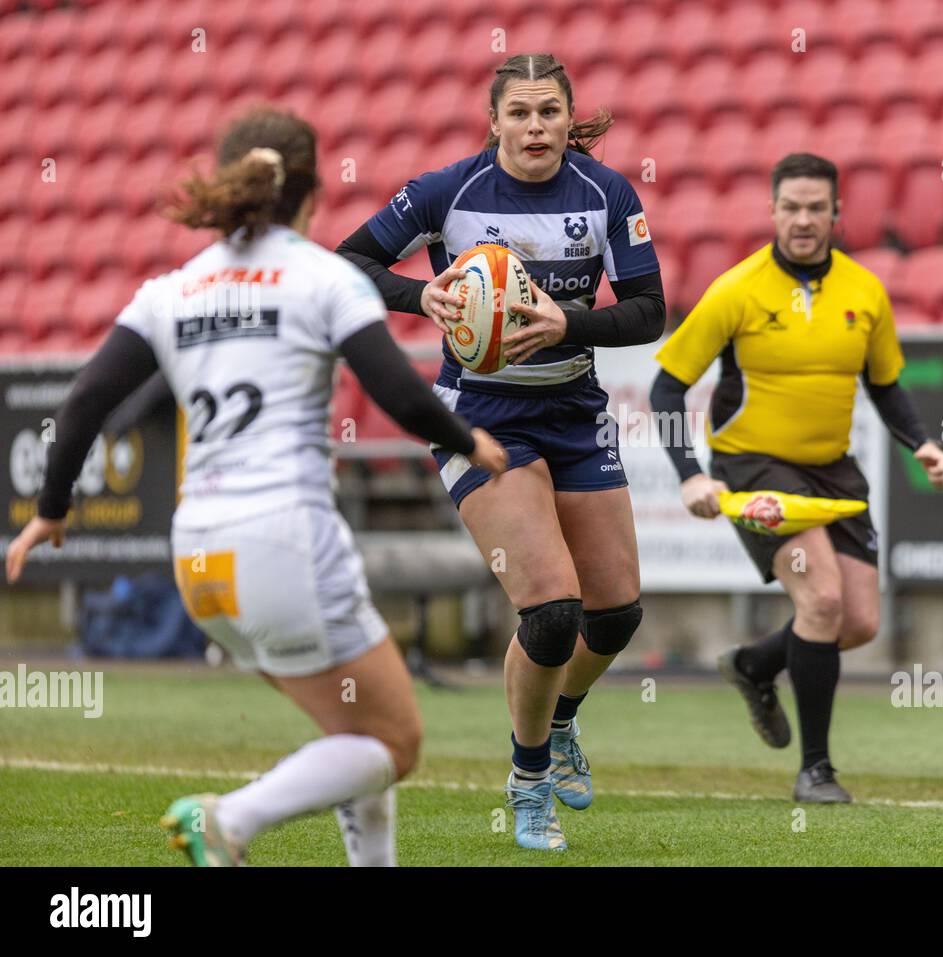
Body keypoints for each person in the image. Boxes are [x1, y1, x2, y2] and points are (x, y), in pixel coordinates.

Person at [4, 108, 507, 866]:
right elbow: (400, 394)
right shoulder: (322, 277)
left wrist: (50, 512)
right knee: (392, 741)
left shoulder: (173, 288)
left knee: (353, 732)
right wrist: (471, 440)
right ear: (310, 196)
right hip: (285, 543)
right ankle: (229, 819)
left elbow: (83, 403)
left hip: (200, 557)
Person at [335, 53, 665, 851]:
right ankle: (527, 779)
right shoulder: (447, 191)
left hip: (574, 410)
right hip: (480, 418)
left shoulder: (607, 194)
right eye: (518, 113)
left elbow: (651, 310)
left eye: (549, 112)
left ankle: (560, 723)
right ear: (494, 122)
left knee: (615, 612)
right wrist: (425, 294)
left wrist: (568, 324)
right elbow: (347, 262)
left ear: (567, 119)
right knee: (552, 610)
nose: (534, 127)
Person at [649, 153, 943, 802]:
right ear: (774, 211)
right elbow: (666, 388)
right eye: (792, 207)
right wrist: (689, 475)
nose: (804, 220)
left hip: (834, 469)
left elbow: (886, 384)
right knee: (821, 602)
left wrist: (922, 443)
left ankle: (755, 664)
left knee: (861, 621)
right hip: (754, 465)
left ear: (837, 214)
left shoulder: (865, 290)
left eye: (817, 208)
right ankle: (816, 770)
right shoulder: (738, 288)